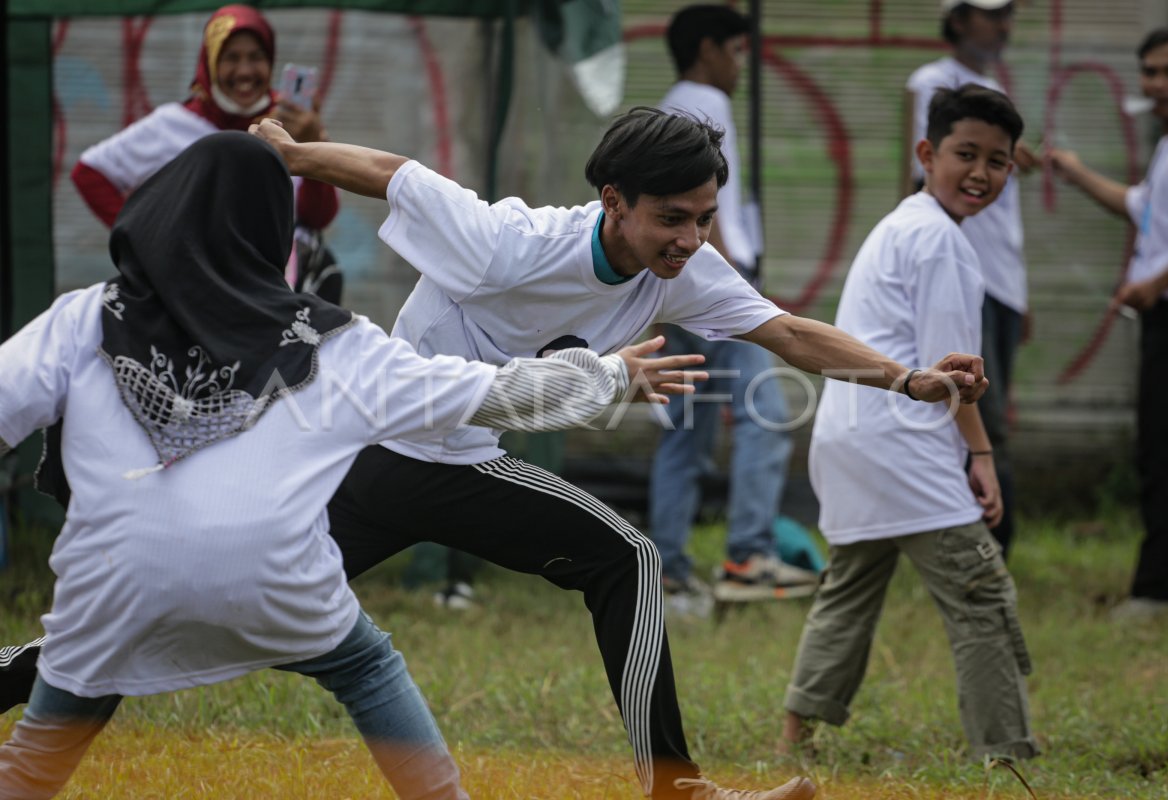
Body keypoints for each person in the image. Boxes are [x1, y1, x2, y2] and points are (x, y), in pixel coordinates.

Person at [242, 106, 989, 800]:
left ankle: (673, 786)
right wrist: (291, 152)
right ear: (614, 200)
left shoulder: (684, 270)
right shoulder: (510, 244)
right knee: (222, 602)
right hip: (386, 453)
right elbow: (393, 172)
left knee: (620, 560)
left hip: (452, 462)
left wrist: (909, 378)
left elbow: (788, 332)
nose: (690, 241)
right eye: (671, 219)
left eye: (703, 219)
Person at [0, 132, 693, 799]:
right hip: (277, 575)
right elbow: (490, 392)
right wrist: (605, 376)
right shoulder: (327, 336)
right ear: (275, 231)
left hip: (114, 580)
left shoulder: (86, 317)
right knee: (366, 667)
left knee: (40, 750)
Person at [778, 85, 1039, 761]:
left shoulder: (901, 223)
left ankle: (793, 740)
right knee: (981, 596)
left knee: (849, 590)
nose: (981, 173)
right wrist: (980, 459)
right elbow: (955, 377)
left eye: (999, 161)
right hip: (902, 445)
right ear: (927, 152)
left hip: (848, 439)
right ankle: (1006, 756)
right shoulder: (940, 241)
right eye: (966, 154)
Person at [649, 5, 813, 619]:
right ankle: (747, 556)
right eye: (737, 51)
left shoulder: (672, 103)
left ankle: (665, 575)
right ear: (709, 50)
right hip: (715, 288)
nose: (742, 64)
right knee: (766, 414)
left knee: (685, 433)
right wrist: (734, 288)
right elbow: (699, 212)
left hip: (679, 288)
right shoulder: (703, 106)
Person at [1047, 28, 1168, 621]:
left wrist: (1152, 285)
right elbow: (1143, 208)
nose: (1155, 85)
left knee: (1164, 452)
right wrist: (1074, 170)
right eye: (1149, 73)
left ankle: (1158, 591)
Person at [70, 4, 343, 302]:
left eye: (256, 57)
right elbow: (88, 173)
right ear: (210, 62)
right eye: (231, 58)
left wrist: (314, 142)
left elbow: (318, 216)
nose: (245, 71)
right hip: (195, 293)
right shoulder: (173, 124)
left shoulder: (289, 122)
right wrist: (146, 240)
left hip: (277, 289)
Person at [903, 0, 1040, 558]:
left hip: (1000, 283)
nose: (1003, 25)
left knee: (987, 408)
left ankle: (984, 544)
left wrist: (1021, 290)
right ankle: (981, 546)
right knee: (966, 409)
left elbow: (1005, 214)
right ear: (958, 19)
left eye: (1008, 14)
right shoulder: (934, 85)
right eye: (991, 14)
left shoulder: (993, 87)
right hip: (959, 275)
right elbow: (917, 181)